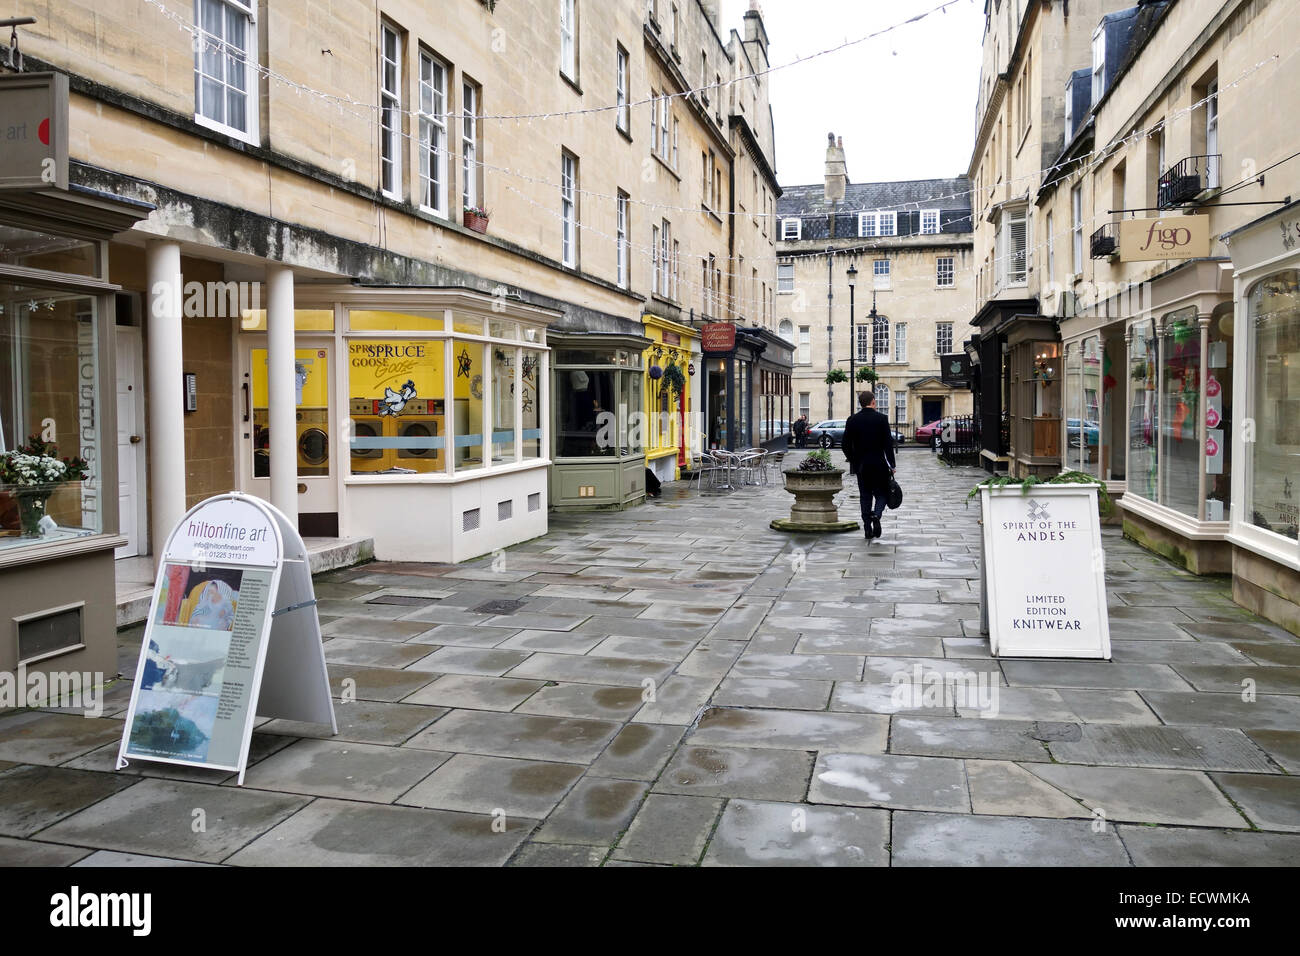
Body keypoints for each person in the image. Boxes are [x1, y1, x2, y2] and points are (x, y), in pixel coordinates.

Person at [841, 391, 896, 540]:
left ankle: (867, 529)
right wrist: (892, 464)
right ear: (872, 402)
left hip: (862, 466)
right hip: (879, 464)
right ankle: (877, 515)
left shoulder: (852, 420)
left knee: (865, 496)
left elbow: (845, 445)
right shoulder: (881, 419)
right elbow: (888, 444)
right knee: (882, 493)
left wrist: (854, 460)